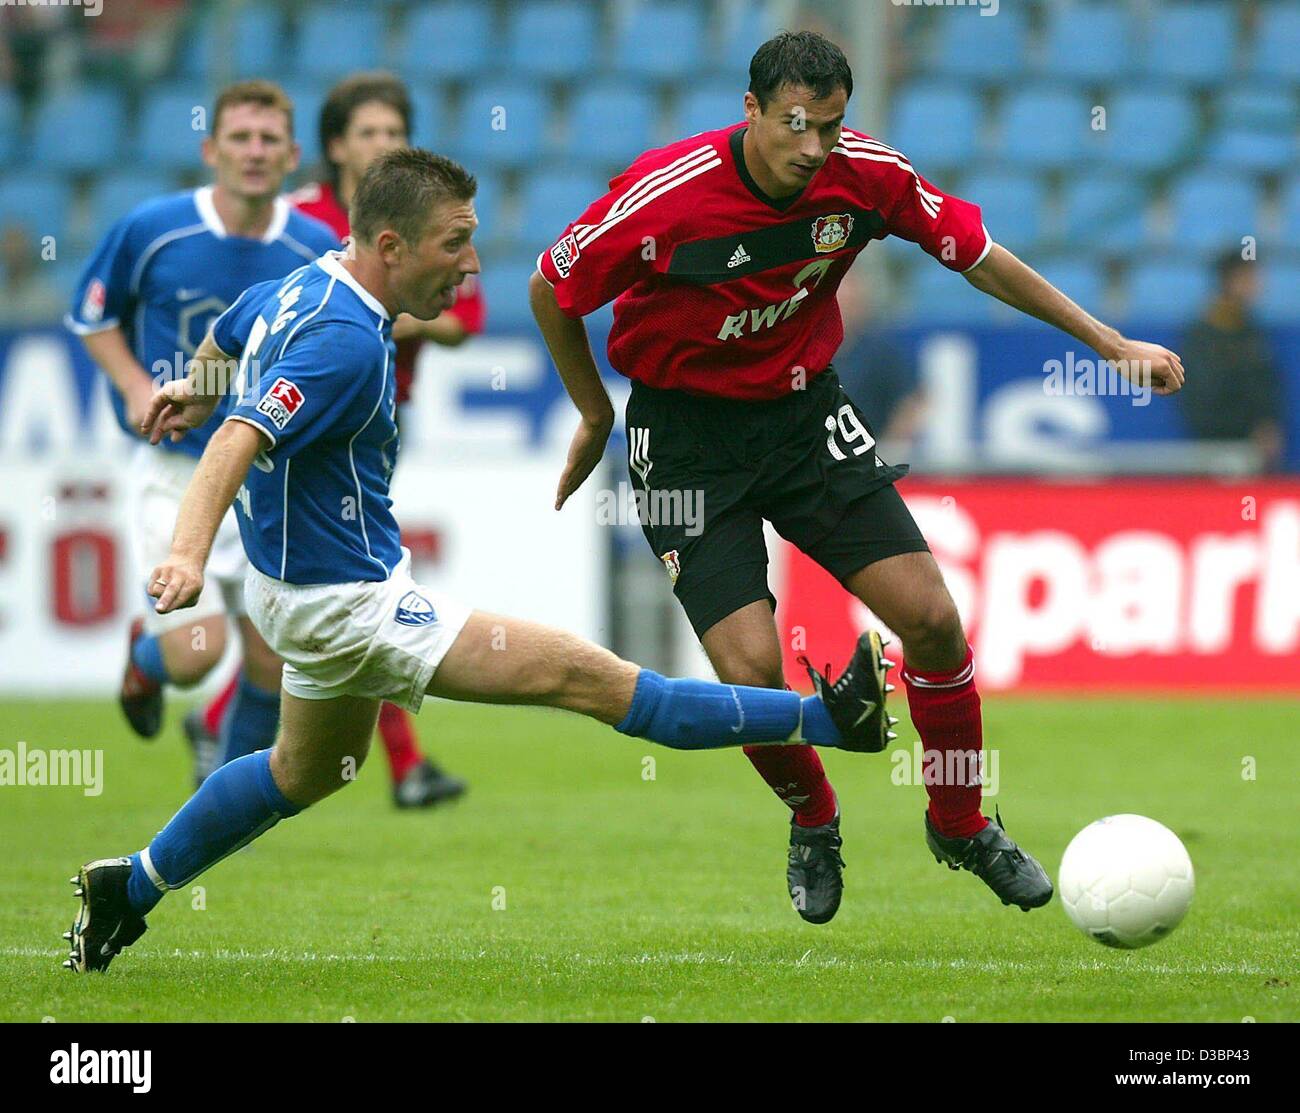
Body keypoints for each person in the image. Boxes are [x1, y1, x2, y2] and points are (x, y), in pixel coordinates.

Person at [62, 149, 884, 973]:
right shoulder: (342, 340)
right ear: (390, 245)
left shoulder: (307, 282)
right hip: (346, 605)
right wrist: (187, 552)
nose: (471, 263)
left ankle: (126, 889)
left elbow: (230, 330)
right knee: (594, 680)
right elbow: (242, 437)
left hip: (303, 595)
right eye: (454, 242)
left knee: (302, 772)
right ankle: (830, 719)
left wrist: (194, 389)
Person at [531, 31, 1184, 925]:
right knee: (754, 680)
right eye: (794, 125)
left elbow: (979, 255)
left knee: (931, 618)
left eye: (830, 128)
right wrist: (597, 414)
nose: (812, 148)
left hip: (805, 421)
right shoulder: (666, 196)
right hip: (685, 442)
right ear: (751, 110)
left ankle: (958, 822)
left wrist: (1110, 346)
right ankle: (814, 815)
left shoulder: (865, 175)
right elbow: (551, 286)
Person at [188, 71, 483, 808]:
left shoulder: (429, 223)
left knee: (348, 595)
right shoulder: (310, 227)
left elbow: (461, 322)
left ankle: (224, 724)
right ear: (335, 146)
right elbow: (279, 317)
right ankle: (401, 763)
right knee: (349, 589)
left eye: (392, 133)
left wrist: (385, 308)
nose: (381, 143)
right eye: (367, 133)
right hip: (308, 421)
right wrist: (363, 317)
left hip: (377, 416)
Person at [65, 80, 339, 783]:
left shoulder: (315, 248)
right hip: (176, 468)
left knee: (273, 661)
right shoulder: (154, 228)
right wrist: (133, 387)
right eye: (240, 138)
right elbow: (93, 315)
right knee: (195, 652)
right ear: (210, 149)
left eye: (268, 140)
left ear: (292, 155)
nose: (254, 152)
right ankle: (144, 658)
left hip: (265, 480)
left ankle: (218, 795)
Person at [1177, 250, 1285, 472]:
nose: (1258, 284)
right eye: (1250, 278)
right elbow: (1200, 398)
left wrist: (1267, 425)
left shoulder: (1253, 331)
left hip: (1256, 452)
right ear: (1230, 281)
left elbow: (1267, 386)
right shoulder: (1202, 337)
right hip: (1216, 451)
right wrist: (1248, 428)